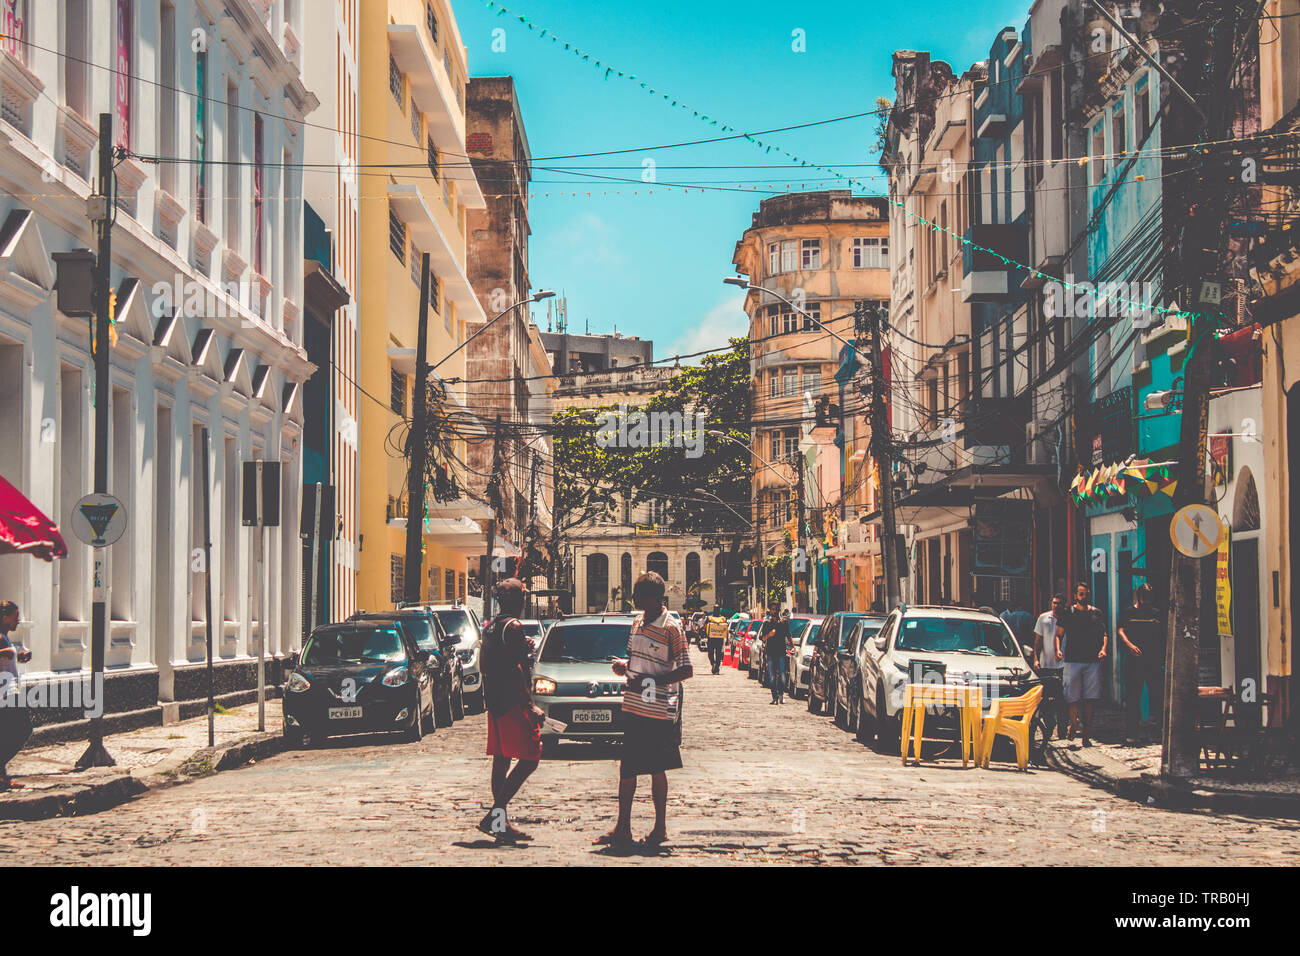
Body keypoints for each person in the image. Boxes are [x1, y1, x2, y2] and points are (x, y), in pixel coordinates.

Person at [596, 571, 693, 848]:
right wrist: (624, 668)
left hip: (658, 709)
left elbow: (686, 669)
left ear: (653, 597)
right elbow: (637, 660)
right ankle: (622, 827)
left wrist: (649, 681)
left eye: (638, 594)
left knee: (656, 768)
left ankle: (660, 827)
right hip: (634, 706)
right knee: (627, 768)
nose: (634, 598)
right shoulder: (637, 622)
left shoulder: (671, 627)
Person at [477, 578, 543, 843]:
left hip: (495, 702)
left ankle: (500, 824)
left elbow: (489, 662)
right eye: (523, 598)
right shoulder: (513, 626)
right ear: (518, 601)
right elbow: (517, 668)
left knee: (502, 759)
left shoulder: (491, 628)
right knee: (531, 757)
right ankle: (495, 815)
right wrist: (530, 705)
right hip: (513, 702)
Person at [1059, 582, 1108, 747]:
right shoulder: (1068, 613)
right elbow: (1059, 634)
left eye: (1086, 593)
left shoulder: (1096, 613)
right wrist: (1058, 650)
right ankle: (1074, 722)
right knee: (1071, 697)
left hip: (1092, 661)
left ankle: (1086, 735)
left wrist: (1103, 649)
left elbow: (1104, 634)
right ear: (1075, 596)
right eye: (1080, 594)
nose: (1083, 596)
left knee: (1090, 699)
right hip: (1072, 660)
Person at [1117, 583, 1164, 745]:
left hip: (1153, 660)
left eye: (1149, 597)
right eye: (1144, 597)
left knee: (1157, 695)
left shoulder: (1156, 613)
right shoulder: (1129, 612)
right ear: (1139, 596)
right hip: (1134, 660)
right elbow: (1120, 630)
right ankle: (1132, 733)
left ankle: (1158, 732)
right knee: (1133, 697)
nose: (1146, 600)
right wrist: (1129, 645)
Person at [0, 601, 32, 790]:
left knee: (6, 732)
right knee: (23, 728)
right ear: (5, 618)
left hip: (9, 691)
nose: (18, 620)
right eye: (15, 616)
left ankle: (3, 777)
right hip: (5, 693)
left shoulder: (5, 637)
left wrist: (18, 656)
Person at [1032, 595, 1067, 740]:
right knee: (1045, 699)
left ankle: (1063, 730)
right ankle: (1049, 724)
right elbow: (1037, 642)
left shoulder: (1068, 619)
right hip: (1046, 665)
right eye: (1054, 603)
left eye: (1059, 604)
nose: (1056, 606)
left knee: (1063, 699)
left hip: (1064, 665)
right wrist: (1035, 659)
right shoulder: (1043, 618)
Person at [761, 602, 791, 704]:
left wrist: (793, 647)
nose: (774, 611)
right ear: (770, 610)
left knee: (783, 677)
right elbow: (763, 638)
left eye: (776, 609)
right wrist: (769, 634)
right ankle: (775, 697)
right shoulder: (767, 623)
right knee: (772, 677)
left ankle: (781, 694)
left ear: (778, 610)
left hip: (781, 653)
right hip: (770, 653)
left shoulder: (783, 623)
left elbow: (788, 635)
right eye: (772, 609)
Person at [704, 605, 728, 674]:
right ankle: (716, 667)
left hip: (711, 639)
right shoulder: (723, 619)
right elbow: (726, 629)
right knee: (718, 654)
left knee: (711, 653)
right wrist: (727, 638)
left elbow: (704, 626)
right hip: (719, 639)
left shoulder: (709, 618)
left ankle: (714, 664)